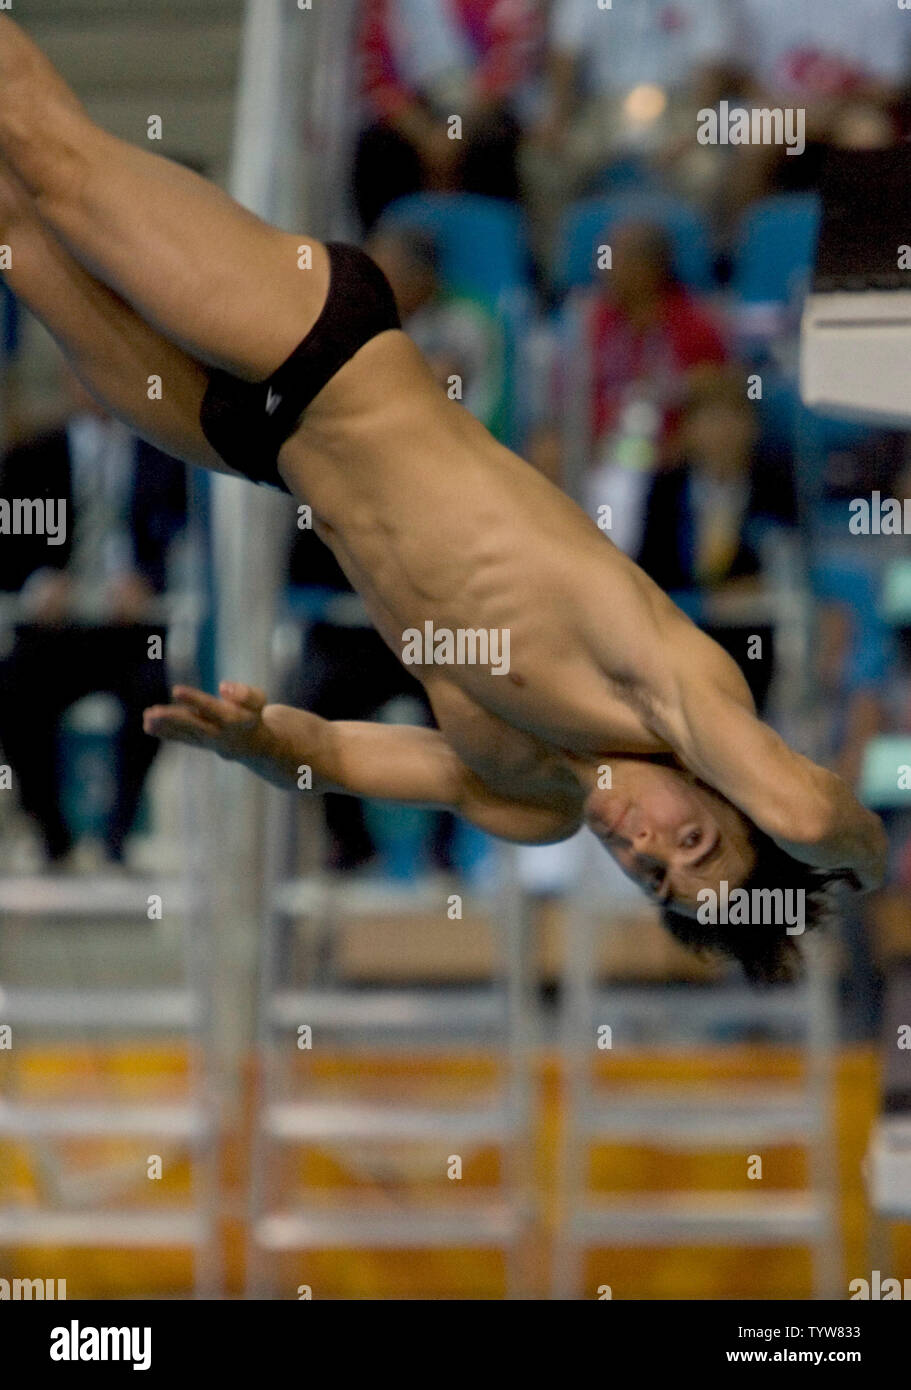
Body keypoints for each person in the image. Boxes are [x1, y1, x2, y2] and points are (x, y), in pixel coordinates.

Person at [0, 16, 886, 983]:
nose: (645, 846)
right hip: (318, 349)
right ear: (728, 794)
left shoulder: (530, 800)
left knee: (16, 237)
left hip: (256, 447)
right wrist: (856, 868)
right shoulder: (671, 689)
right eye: (693, 843)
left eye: (653, 878)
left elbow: (339, 758)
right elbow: (808, 816)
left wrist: (261, 743)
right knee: (55, 162)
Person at [0, 364, 187, 866]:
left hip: (133, 631)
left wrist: (149, 582)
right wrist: (38, 583)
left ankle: (117, 835)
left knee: (156, 690)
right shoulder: (30, 459)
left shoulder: (164, 459)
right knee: (13, 691)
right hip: (54, 631)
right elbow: (7, 549)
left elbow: (184, 544)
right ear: (68, 381)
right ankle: (52, 836)